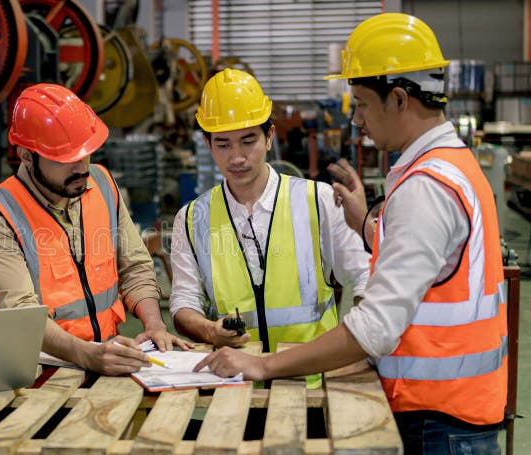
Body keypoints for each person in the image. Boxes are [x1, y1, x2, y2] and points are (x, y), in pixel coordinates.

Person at [195, 13, 506, 454]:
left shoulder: (426, 187)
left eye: (360, 102)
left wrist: (265, 366)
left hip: (439, 420)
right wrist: (364, 224)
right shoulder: (454, 166)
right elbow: (433, 265)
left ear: (398, 99)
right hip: (454, 410)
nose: (356, 118)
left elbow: (374, 328)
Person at [0, 83, 191, 376]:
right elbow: (21, 313)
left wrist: (154, 325)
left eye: (85, 154)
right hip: (38, 380)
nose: (82, 168)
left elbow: (135, 266)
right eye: (65, 160)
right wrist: (87, 355)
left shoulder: (101, 183)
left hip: (109, 363)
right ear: (25, 155)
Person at [168, 68, 370, 387]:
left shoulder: (317, 201)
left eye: (248, 141)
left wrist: (362, 341)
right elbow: (183, 302)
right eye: (223, 145)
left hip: (312, 382)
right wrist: (210, 331)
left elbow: (363, 275)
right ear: (207, 144)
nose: (237, 157)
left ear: (270, 136)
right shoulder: (192, 219)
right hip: (234, 385)